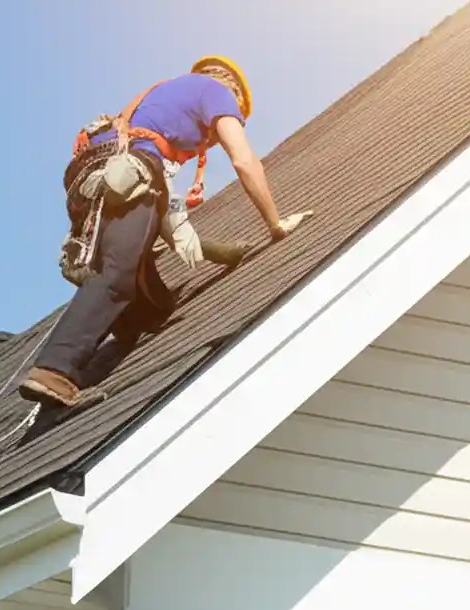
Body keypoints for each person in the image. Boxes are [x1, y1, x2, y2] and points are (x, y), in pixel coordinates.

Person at [20, 55, 311, 406]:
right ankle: (54, 371)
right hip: (131, 174)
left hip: (93, 179)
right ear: (234, 94)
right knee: (117, 276)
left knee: (151, 306)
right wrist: (274, 223)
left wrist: (226, 252)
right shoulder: (218, 93)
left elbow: (172, 226)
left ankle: (101, 348)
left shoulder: (162, 97)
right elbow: (243, 159)